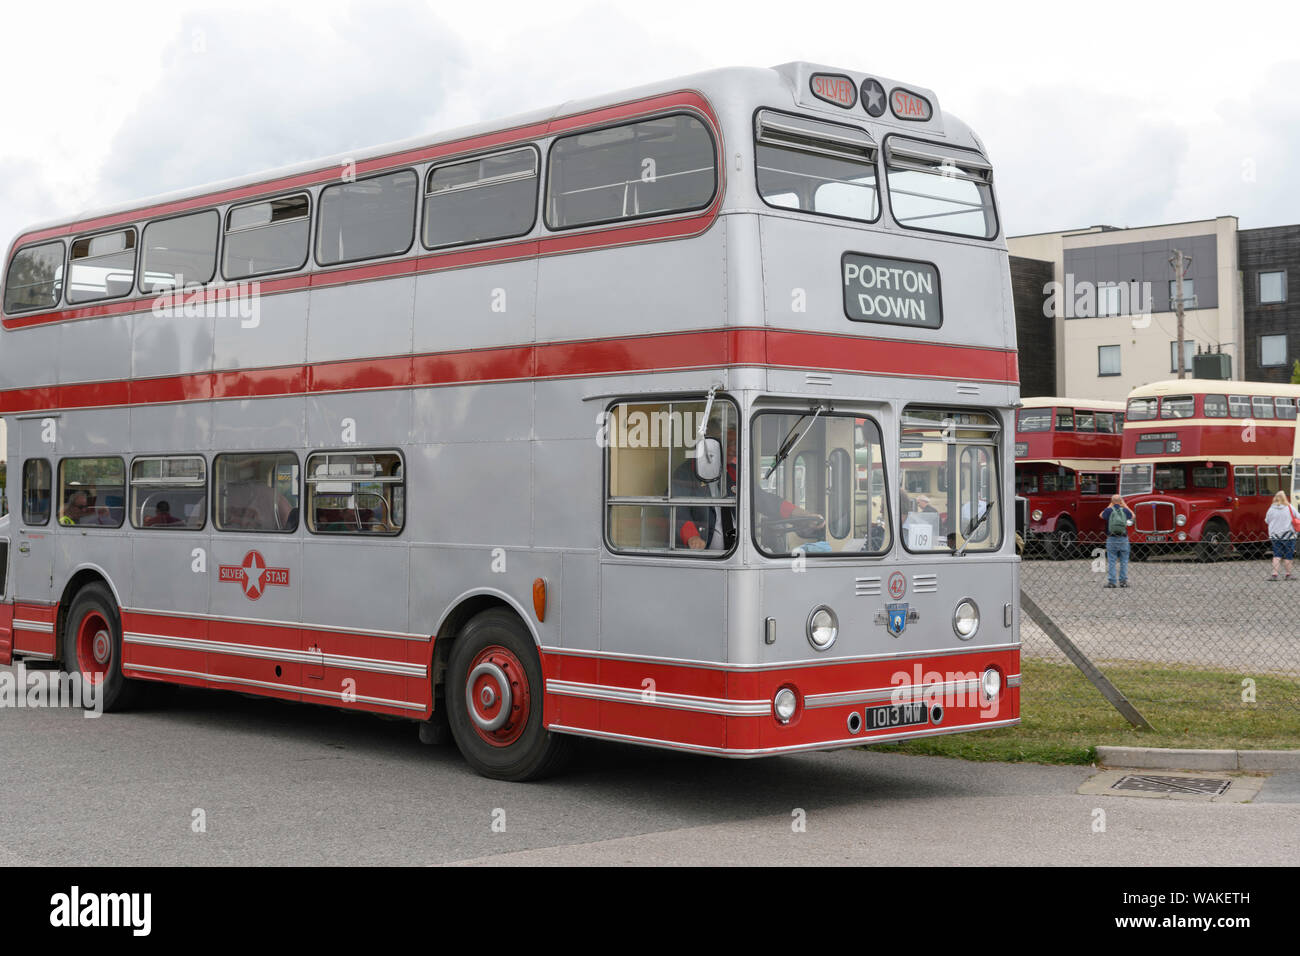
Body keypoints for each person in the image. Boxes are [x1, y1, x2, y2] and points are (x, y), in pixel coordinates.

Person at [673, 421, 823, 550]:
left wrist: (803, 515)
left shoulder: (733, 473)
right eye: (728, 443)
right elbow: (678, 510)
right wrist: (692, 537)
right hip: (706, 556)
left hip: (737, 550)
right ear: (711, 445)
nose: (734, 448)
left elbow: (763, 500)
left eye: (736, 443)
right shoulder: (686, 473)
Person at [1099, 494, 1135, 588]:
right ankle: (1123, 582)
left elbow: (1101, 515)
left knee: (1111, 560)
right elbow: (1133, 516)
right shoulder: (1125, 510)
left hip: (1111, 538)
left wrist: (1110, 505)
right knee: (1124, 561)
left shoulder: (1109, 510)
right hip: (1123, 538)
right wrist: (1124, 505)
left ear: (1111, 501)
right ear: (1120, 501)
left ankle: (1112, 582)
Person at [1263, 490, 1298, 581]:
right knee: (1288, 555)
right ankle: (1288, 574)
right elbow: (1298, 517)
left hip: (1275, 536)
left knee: (1277, 555)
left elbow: (1267, 520)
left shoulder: (1271, 509)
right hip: (1289, 535)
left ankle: (1274, 574)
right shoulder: (1290, 507)